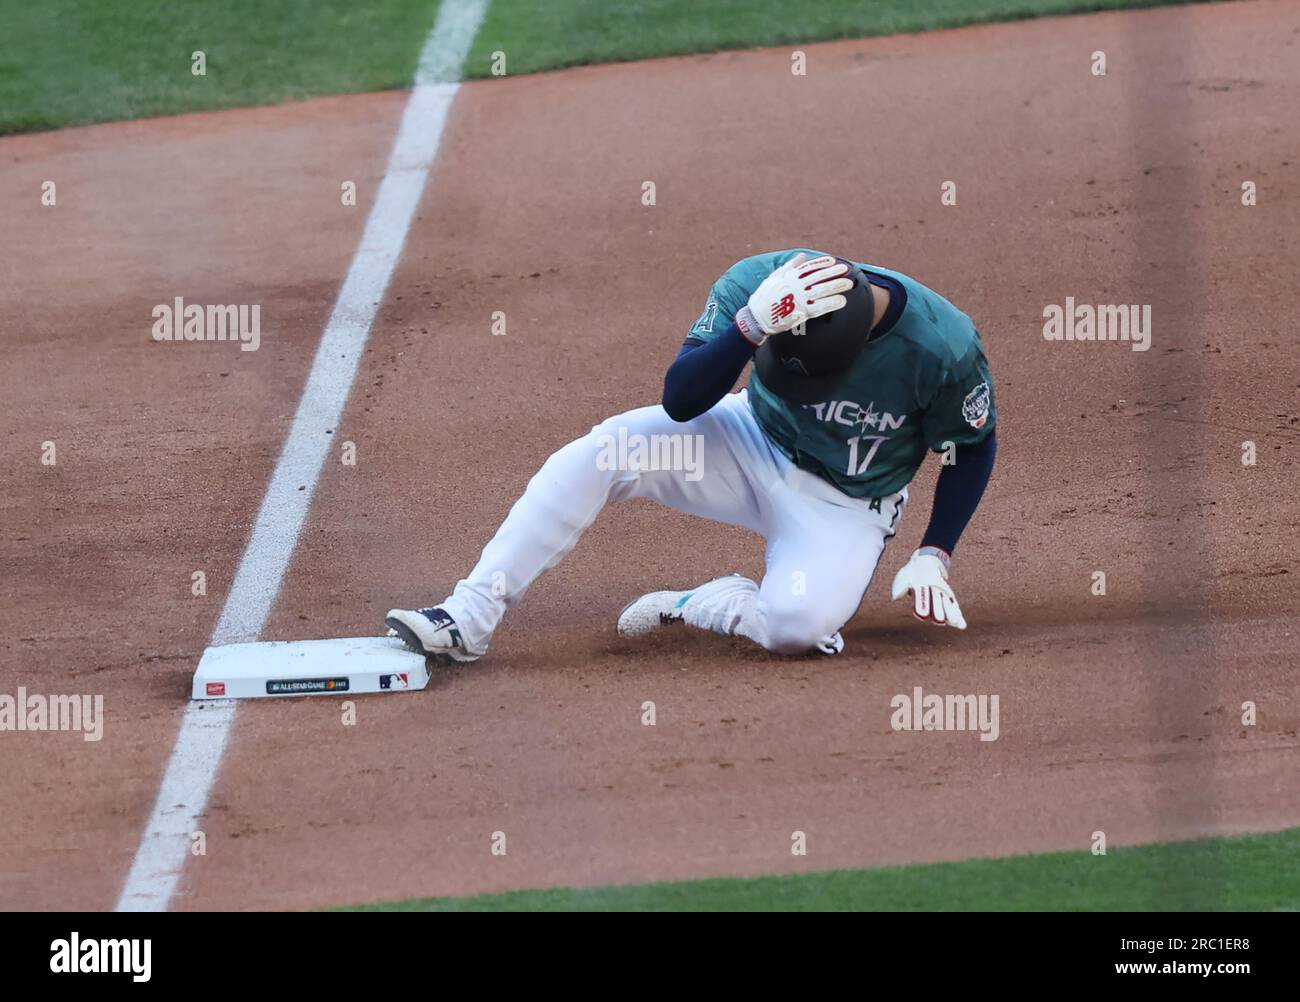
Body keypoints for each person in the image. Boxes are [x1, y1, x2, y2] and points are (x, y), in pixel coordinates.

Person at [385, 250, 997, 662]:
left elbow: (971, 447)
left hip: (847, 501)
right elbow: (681, 400)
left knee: (796, 629)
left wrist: (934, 552)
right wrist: (749, 325)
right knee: (603, 451)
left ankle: (709, 602)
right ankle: (468, 616)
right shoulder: (758, 282)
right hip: (749, 438)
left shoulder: (943, 346)